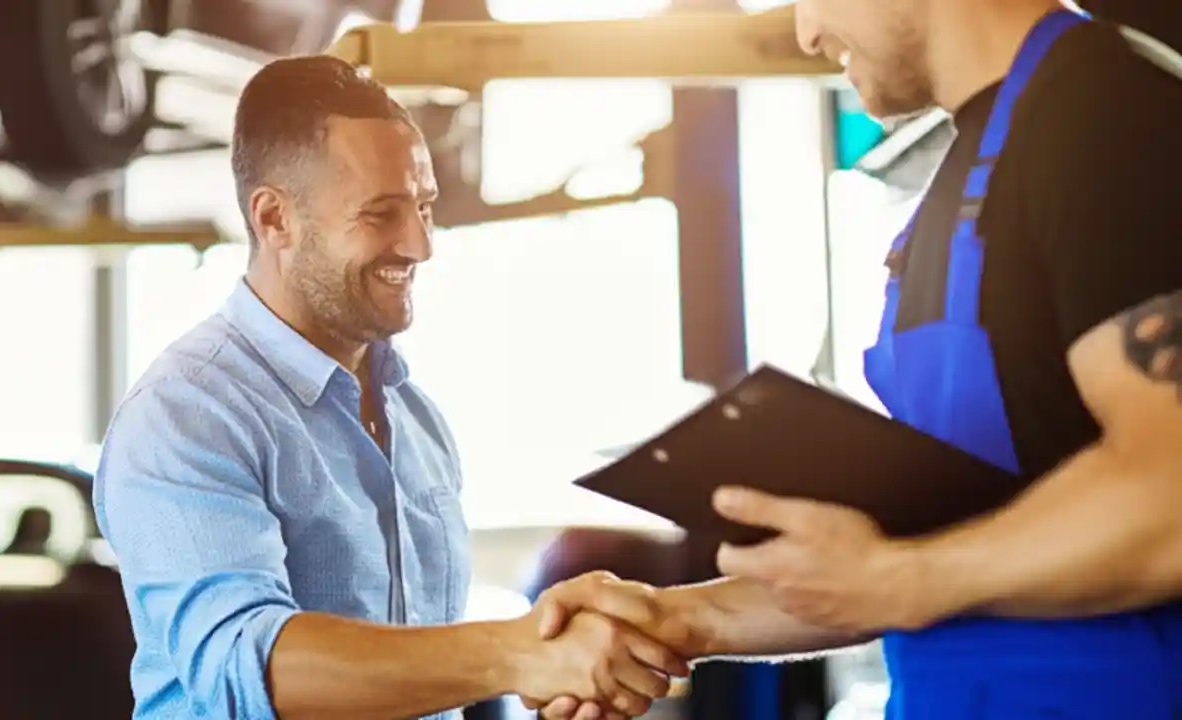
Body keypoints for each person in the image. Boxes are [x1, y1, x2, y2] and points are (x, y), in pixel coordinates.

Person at [532, 0, 1182, 718]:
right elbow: (927, 554)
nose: (807, 32)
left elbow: (1170, 492)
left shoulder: (1109, 118)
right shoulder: (964, 179)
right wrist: (679, 622)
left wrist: (906, 578)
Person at [93, 55, 686, 720]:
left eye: (424, 207)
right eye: (381, 215)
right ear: (274, 219)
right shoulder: (187, 413)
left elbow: (419, 677)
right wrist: (521, 653)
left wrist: (555, 676)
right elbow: (250, 668)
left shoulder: (415, 416)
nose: (420, 245)